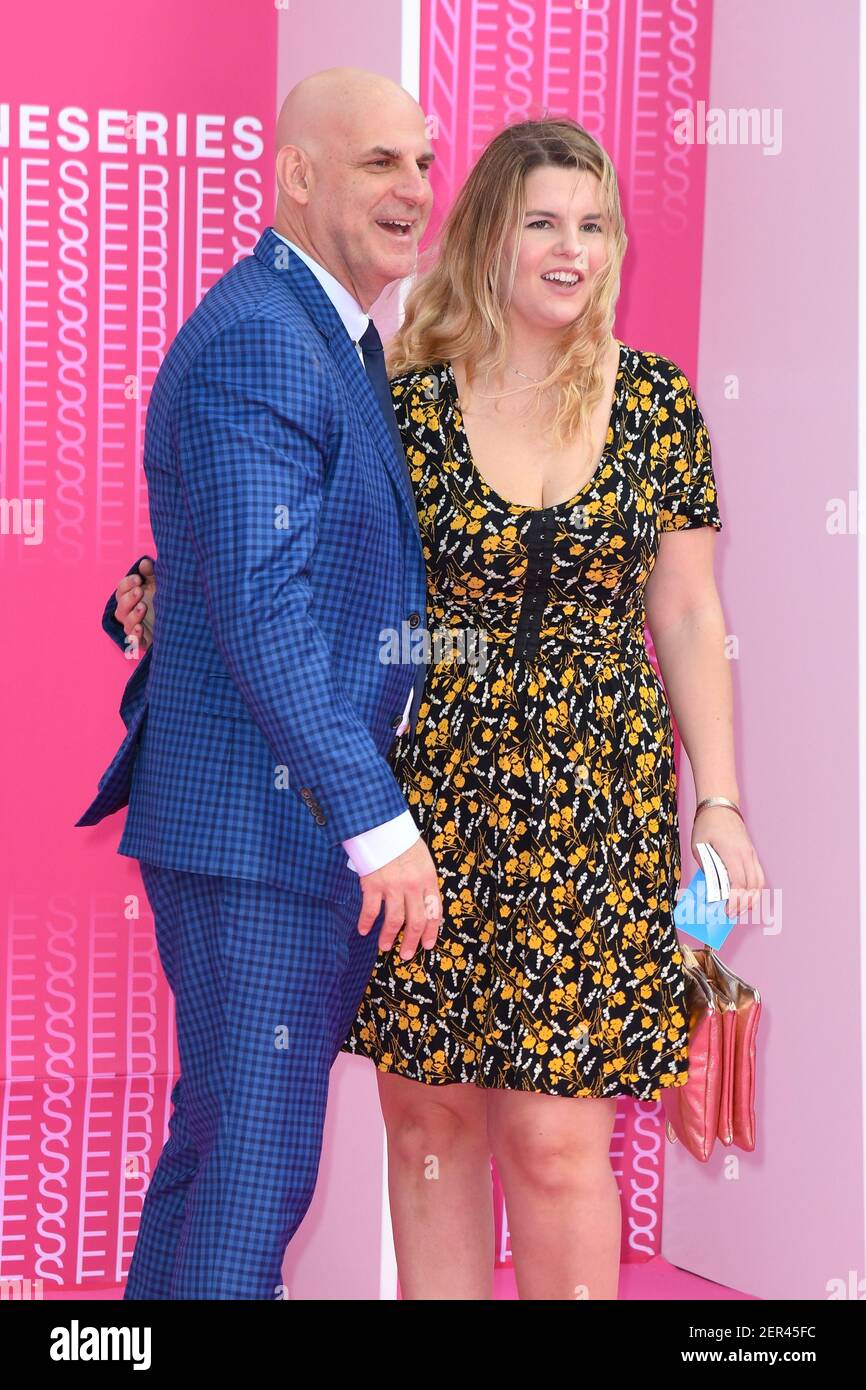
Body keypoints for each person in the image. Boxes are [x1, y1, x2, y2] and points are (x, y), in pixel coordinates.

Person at [107, 117, 766, 1302]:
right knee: (428, 1128)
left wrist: (716, 801)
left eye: (593, 225)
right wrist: (164, 596)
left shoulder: (658, 405)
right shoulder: (396, 403)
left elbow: (686, 616)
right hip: (422, 807)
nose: (572, 249)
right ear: (486, 240)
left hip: (593, 810)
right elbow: (283, 555)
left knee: (560, 1143)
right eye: (542, 223)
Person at [76, 67, 445, 1300]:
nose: (413, 189)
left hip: (261, 820)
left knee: (224, 1147)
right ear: (295, 175)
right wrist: (376, 821)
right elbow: (266, 612)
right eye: (378, 162)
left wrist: (162, 582)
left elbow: (253, 559)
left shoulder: (321, 330)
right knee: (254, 1163)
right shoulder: (262, 340)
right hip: (264, 822)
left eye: (423, 162)